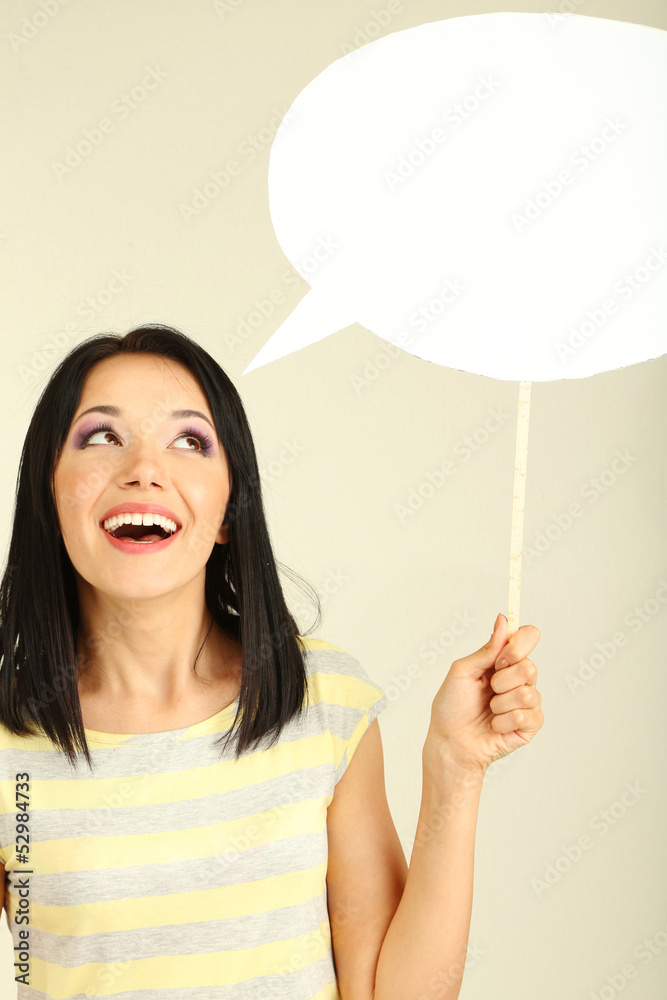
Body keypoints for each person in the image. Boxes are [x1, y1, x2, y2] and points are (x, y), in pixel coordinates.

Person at [0, 323, 543, 999]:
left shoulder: (322, 702)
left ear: (230, 509)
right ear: (50, 497)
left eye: (188, 440)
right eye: (102, 436)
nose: (143, 468)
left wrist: (455, 769)